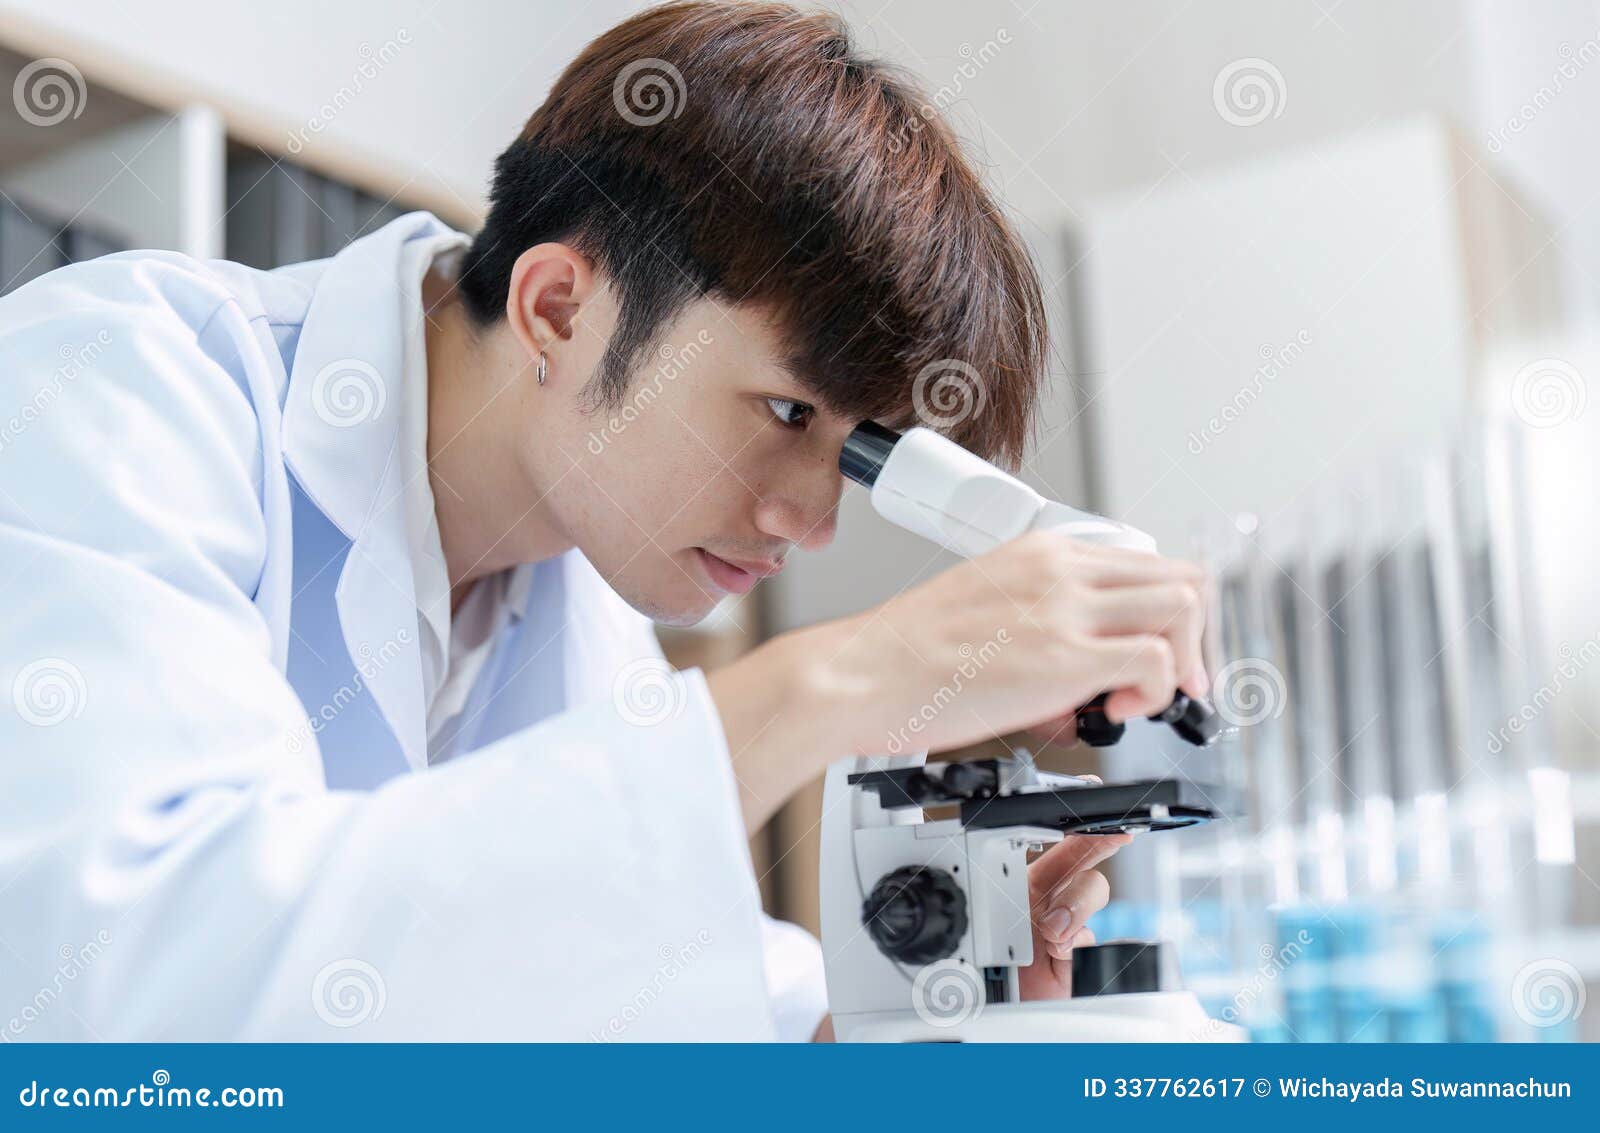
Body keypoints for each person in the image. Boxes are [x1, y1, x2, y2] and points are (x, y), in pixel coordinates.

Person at [0, 1, 1208, 1041]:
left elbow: (650, 1003)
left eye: (857, 454)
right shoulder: (117, 387)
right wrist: (840, 680)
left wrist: (878, 1036)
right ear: (559, 307)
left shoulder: (578, 598)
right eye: (786, 408)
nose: (808, 520)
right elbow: (134, 999)